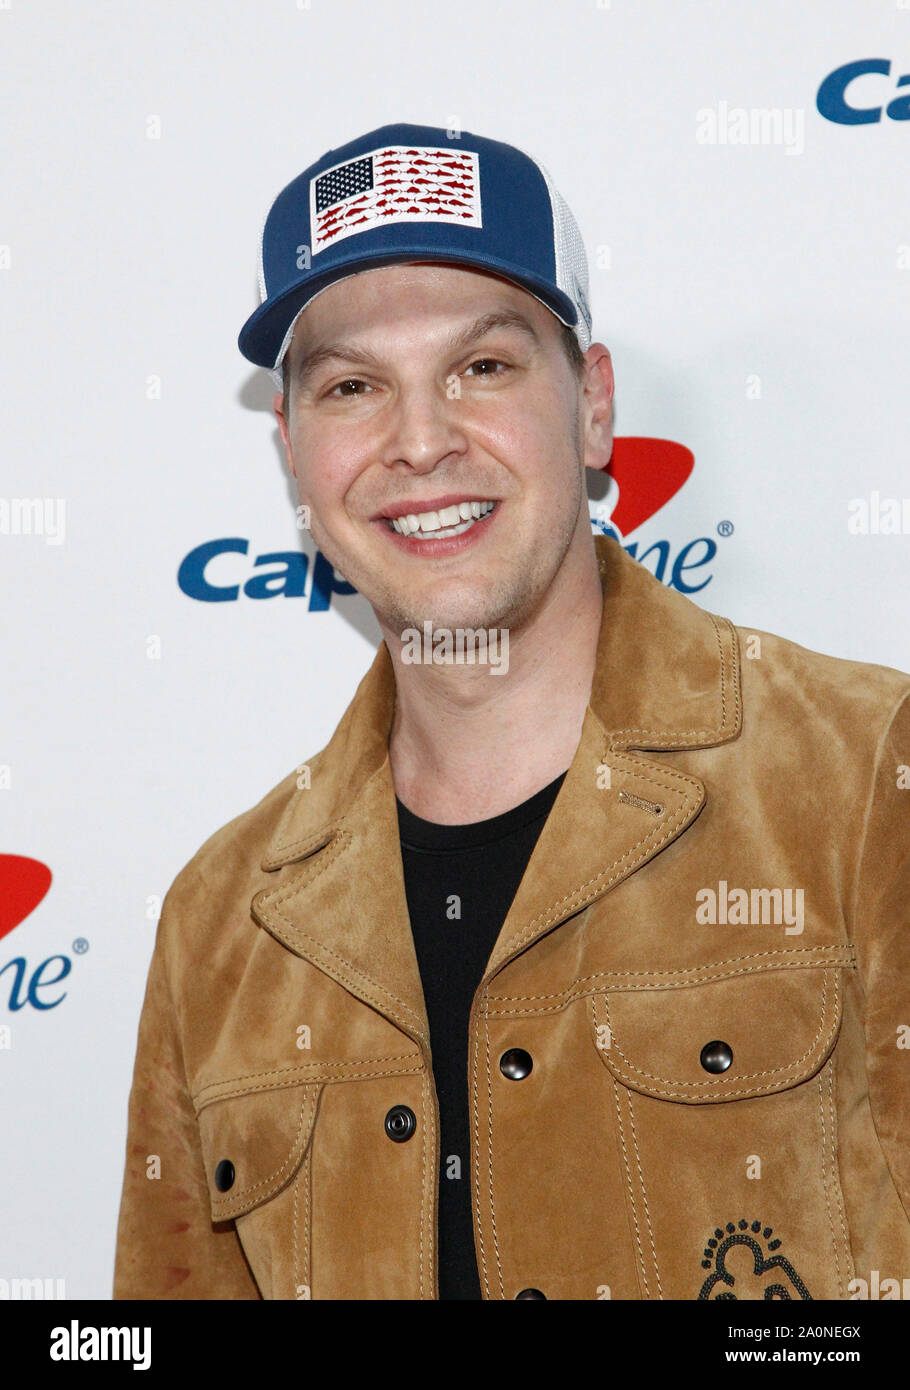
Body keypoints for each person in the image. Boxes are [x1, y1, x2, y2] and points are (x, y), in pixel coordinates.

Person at [113, 122, 910, 1301]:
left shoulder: (864, 780)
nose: (421, 442)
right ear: (292, 452)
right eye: (351, 387)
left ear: (592, 408)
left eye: (482, 367)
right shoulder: (221, 926)